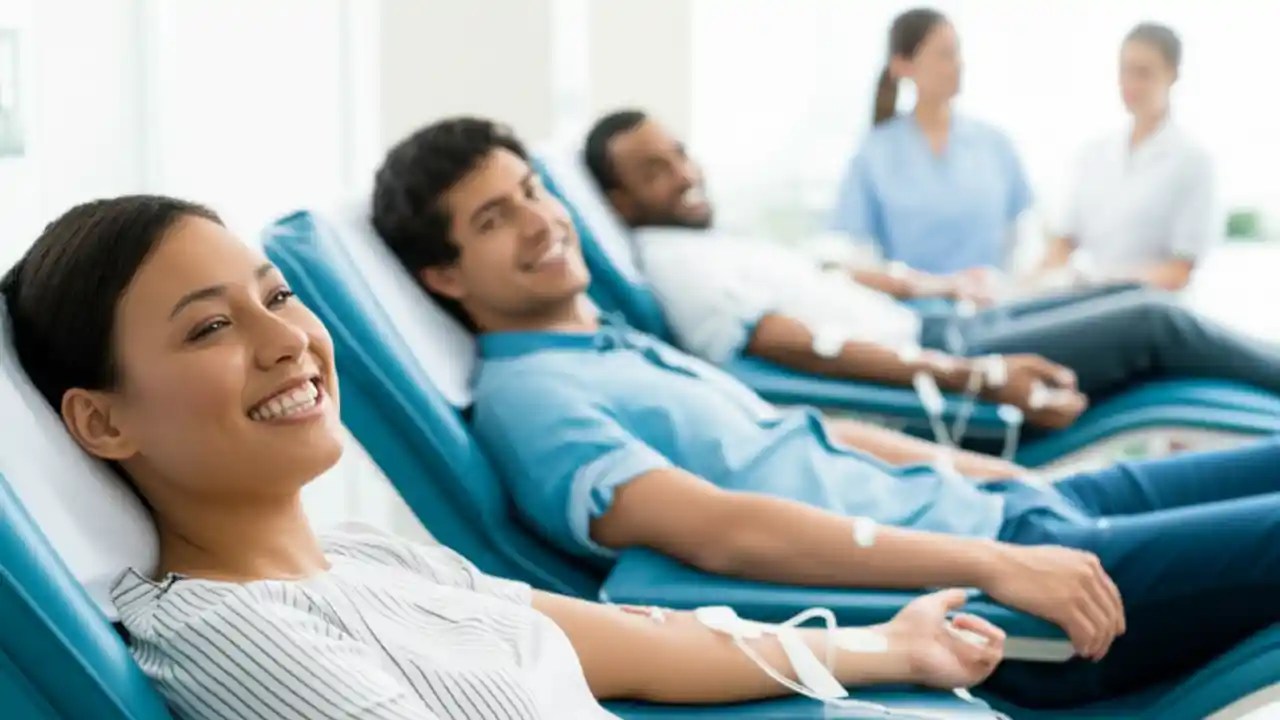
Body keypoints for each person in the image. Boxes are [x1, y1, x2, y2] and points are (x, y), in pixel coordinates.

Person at [371, 116, 1280, 709]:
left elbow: (812, 434)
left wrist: (992, 475)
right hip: (1004, 594)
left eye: (532, 190)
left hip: (1015, 515)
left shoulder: (608, 342)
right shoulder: (532, 402)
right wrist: (998, 560)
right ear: (444, 276)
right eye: (494, 219)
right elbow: (724, 535)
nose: (539, 221)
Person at [0, 196, 1008, 720]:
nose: (287, 342)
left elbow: (645, 644)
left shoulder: (370, 560)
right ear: (101, 424)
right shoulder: (229, 632)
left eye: (276, 295)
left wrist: (895, 649)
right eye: (210, 327)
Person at [580, 109, 1280, 431]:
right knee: (1153, 319)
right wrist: (972, 377)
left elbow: (824, 280)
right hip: (941, 355)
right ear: (619, 200)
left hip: (936, 323)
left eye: (678, 154)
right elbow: (782, 345)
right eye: (654, 170)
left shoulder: (709, 240)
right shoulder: (674, 264)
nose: (683, 173)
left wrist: (930, 286)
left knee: (1125, 291)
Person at [830, 8, 1031, 275]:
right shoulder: (874, 153)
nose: (958, 64)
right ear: (903, 65)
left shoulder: (994, 144)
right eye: (944, 55)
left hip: (995, 306)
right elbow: (855, 252)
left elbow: (1021, 238)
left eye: (957, 53)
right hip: (911, 310)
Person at [1040, 23, 1216, 292]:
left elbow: (1179, 271)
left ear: (1172, 74)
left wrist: (1103, 280)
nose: (1131, 83)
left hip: (1151, 316)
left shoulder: (1192, 162)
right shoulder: (1093, 155)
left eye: (1143, 73)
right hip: (1090, 307)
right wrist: (1010, 290)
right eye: (1125, 70)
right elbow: (1061, 246)